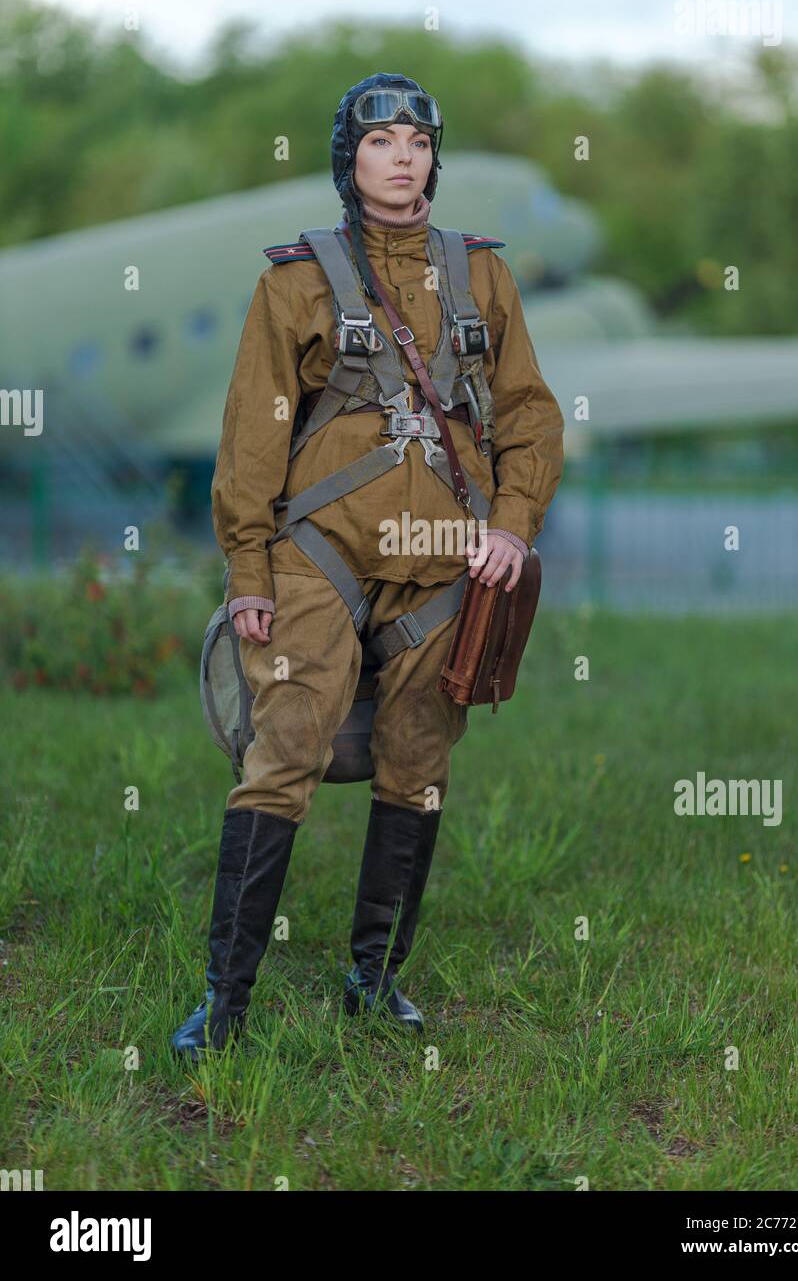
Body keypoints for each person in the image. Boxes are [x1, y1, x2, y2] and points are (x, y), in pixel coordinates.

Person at [171, 72, 564, 1059]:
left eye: (417, 141)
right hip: (315, 556)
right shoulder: (293, 282)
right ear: (349, 160)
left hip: (442, 567)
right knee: (284, 751)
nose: (402, 156)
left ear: (434, 157)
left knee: (418, 763)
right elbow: (252, 439)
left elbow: (526, 416)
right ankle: (223, 1002)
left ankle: (373, 978)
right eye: (381, 140)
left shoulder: (480, 277)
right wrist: (249, 574)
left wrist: (511, 526)